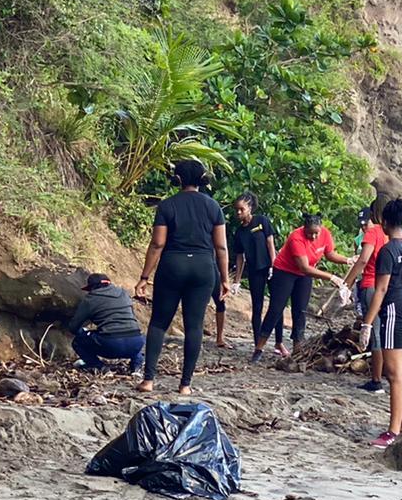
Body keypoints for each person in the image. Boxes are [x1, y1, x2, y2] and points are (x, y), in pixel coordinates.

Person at [136, 159, 231, 397]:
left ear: (178, 180)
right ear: (202, 180)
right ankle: (185, 385)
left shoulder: (167, 206)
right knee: (194, 326)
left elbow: (158, 244)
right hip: (203, 267)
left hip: (172, 265)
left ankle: (148, 380)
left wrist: (144, 277)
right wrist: (225, 279)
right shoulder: (213, 207)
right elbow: (221, 248)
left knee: (159, 322)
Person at [359, 199, 402, 446]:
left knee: (394, 374)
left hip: (396, 307)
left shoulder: (387, 251)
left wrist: (367, 323)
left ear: (384, 222)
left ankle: (393, 431)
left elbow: (381, 289)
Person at [255, 215, 349, 359]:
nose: (313, 236)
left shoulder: (324, 234)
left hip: (305, 275)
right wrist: (331, 277)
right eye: (310, 233)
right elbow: (304, 267)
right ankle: (259, 348)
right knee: (276, 308)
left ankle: (297, 349)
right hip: (285, 271)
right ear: (304, 229)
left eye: (316, 233)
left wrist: (347, 260)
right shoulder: (296, 238)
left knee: (301, 310)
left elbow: (330, 254)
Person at [344, 205, 389, 395]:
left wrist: (346, 283)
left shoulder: (373, 234)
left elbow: (363, 261)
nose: (364, 228)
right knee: (382, 333)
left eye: (365, 223)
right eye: (361, 225)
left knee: (375, 333)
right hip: (385, 286)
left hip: (371, 285)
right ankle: (381, 376)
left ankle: (376, 380)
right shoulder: (388, 234)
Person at [229, 194, 278, 348]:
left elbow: (270, 244)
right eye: (236, 210)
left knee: (276, 304)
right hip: (254, 271)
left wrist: (273, 265)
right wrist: (236, 281)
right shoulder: (239, 232)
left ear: (249, 208)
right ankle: (258, 343)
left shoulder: (261, 221)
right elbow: (240, 257)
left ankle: (279, 342)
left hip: (269, 268)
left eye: (241, 209)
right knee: (257, 307)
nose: (238, 213)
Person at [68, 273, 144, 371]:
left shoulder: (90, 299)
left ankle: (99, 367)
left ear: (92, 287)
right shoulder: (123, 293)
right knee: (130, 335)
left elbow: (73, 327)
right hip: (136, 342)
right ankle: (136, 366)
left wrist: (83, 332)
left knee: (78, 342)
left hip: (112, 345)